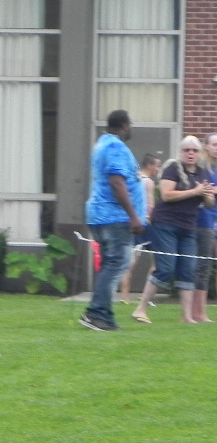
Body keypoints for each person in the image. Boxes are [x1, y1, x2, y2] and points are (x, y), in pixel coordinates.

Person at [132, 135, 215, 325]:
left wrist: (208, 195)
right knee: (166, 268)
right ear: (181, 152)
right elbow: (167, 195)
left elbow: (208, 204)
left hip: (189, 227)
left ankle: (186, 317)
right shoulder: (173, 168)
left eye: (194, 150)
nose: (191, 153)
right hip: (166, 225)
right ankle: (141, 309)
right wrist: (195, 192)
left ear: (200, 153)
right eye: (187, 150)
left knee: (188, 270)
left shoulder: (202, 172)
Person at [81, 110, 145, 331]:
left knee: (111, 264)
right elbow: (117, 182)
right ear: (125, 126)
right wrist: (134, 216)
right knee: (117, 263)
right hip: (113, 217)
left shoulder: (102, 144)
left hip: (101, 215)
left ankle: (104, 316)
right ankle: (96, 313)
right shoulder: (116, 147)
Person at [118, 152, 161, 305]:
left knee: (130, 262)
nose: (158, 169)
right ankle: (145, 297)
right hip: (146, 224)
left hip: (132, 222)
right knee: (156, 262)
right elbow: (150, 205)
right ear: (149, 165)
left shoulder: (134, 179)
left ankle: (125, 297)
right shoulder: (148, 182)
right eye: (157, 165)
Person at [191, 133, 217, 322]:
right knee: (202, 265)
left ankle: (200, 312)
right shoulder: (202, 169)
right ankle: (198, 313)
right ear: (206, 147)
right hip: (202, 221)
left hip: (213, 221)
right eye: (214, 144)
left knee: (206, 266)